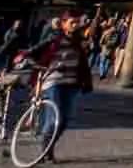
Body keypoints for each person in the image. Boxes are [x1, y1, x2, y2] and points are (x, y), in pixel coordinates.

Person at [30, 15, 92, 163]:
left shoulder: (79, 42)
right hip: (53, 82)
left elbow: (83, 63)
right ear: (63, 25)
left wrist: (85, 81)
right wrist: (29, 59)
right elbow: (35, 50)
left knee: (64, 120)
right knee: (53, 118)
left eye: (76, 22)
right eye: (72, 22)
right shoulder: (54, 39)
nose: (75, 25)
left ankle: (49, 149)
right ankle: (44, 149)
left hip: (72, 84)